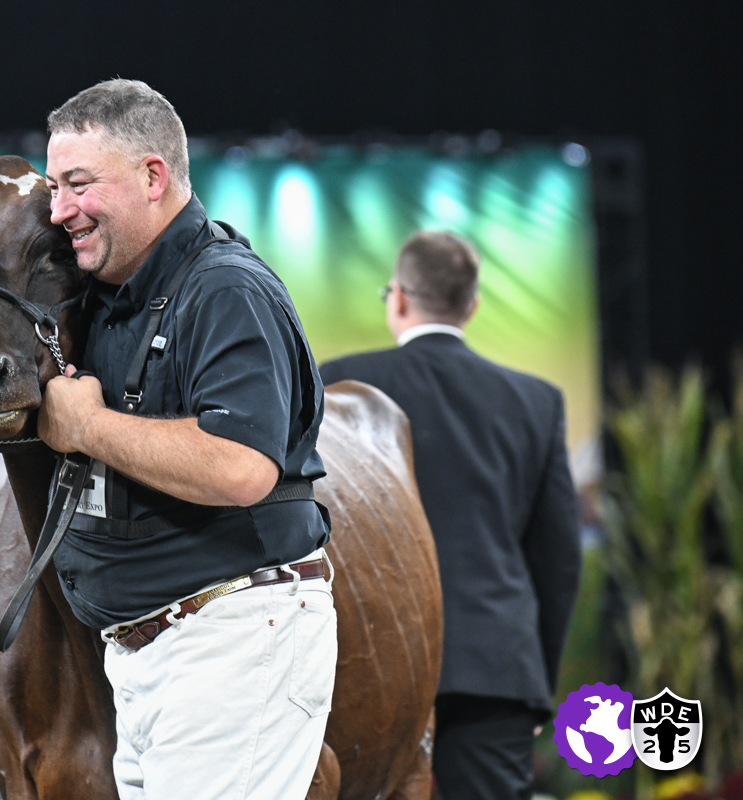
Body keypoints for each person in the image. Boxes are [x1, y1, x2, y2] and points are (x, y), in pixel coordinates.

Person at [37, 79, 336, 800]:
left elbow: (241, 469)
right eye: (53, 189)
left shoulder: (226, 290)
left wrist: (86, 426)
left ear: (153, 176)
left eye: (79, 185)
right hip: (151, 657)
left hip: (233, 641)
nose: (59, 212)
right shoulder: (109, 297)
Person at [318, 231, 582, 800]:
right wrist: (534, 682)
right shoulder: (534, 401)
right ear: (474, 305)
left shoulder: (339, 385)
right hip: (491, 669)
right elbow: (558, 560)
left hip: (370, 667)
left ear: (400, 299)